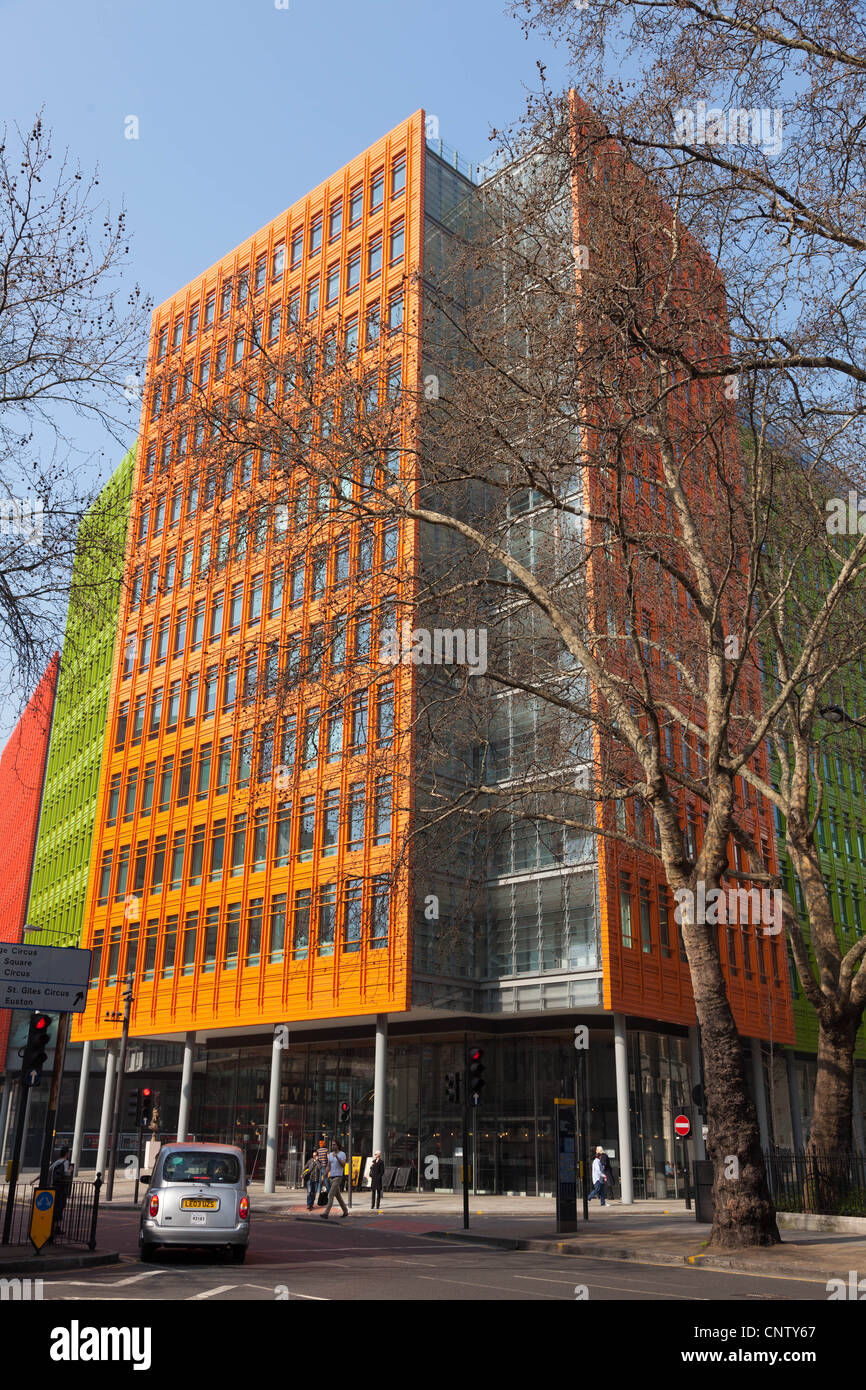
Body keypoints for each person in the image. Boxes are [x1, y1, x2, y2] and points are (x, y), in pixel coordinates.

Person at [48, 1146, 73, 1237]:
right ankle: (56, 1228)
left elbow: (48, 1171)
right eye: (68, 1153)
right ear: (66, 1153)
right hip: (61, 1188)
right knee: (60, 1207)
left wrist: (34, 1180)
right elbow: (66, 1173)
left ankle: (53, 1227)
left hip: (53, 1187)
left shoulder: (57, 1162)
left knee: (54, 1207)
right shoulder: (66, 1162)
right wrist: (70, 1170)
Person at [320, 1139, 349, 1218]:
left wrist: (337, 1158)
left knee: (331, 1195)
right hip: (331, 1178)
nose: (333, 1146)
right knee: (338, 1196)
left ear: (338, 1145)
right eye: (332, 1145)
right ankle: (345, 1211)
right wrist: (324, 1176)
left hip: (338, 1177)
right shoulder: (330, 1155)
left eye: (334, 1145)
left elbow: (343, 1165)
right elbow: (328, 1166)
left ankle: (326, 1213)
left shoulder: (342, 1154)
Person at [304, 1146, 323, 1211]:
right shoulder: (310, 1161)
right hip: (309, 1179)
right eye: (313, 1155)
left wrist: (317, 1161)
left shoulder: (319, 1162)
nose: (314, 1156)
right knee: (309, 1192)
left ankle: (311, 1204)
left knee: (314, 1193)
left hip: (316, 1179)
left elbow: (320, 1168)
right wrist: (302, 1174)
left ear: (317, 1156)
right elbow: (305, 1167)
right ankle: (308, 1204)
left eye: (315, 1155)